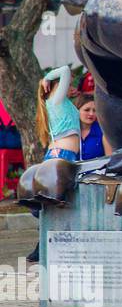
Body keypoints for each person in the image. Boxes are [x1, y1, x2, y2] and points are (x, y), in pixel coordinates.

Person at [28, 65, 81, 264]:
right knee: (54, 203)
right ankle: (45, 247)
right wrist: (47, 78)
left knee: (58, 203)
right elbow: (66, 69)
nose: (71, 86)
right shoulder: (56, 100)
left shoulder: (61, 103)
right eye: (68, 85)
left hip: (63, 154)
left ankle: (47, 246)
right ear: (56, 86)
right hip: (61, 155)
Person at [74, 94, 110, 160]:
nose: (91, 114)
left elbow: (110, 159)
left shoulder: (104, 131)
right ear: (76, 110)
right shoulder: (70, 131)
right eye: (87, 110)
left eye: (95, 110)